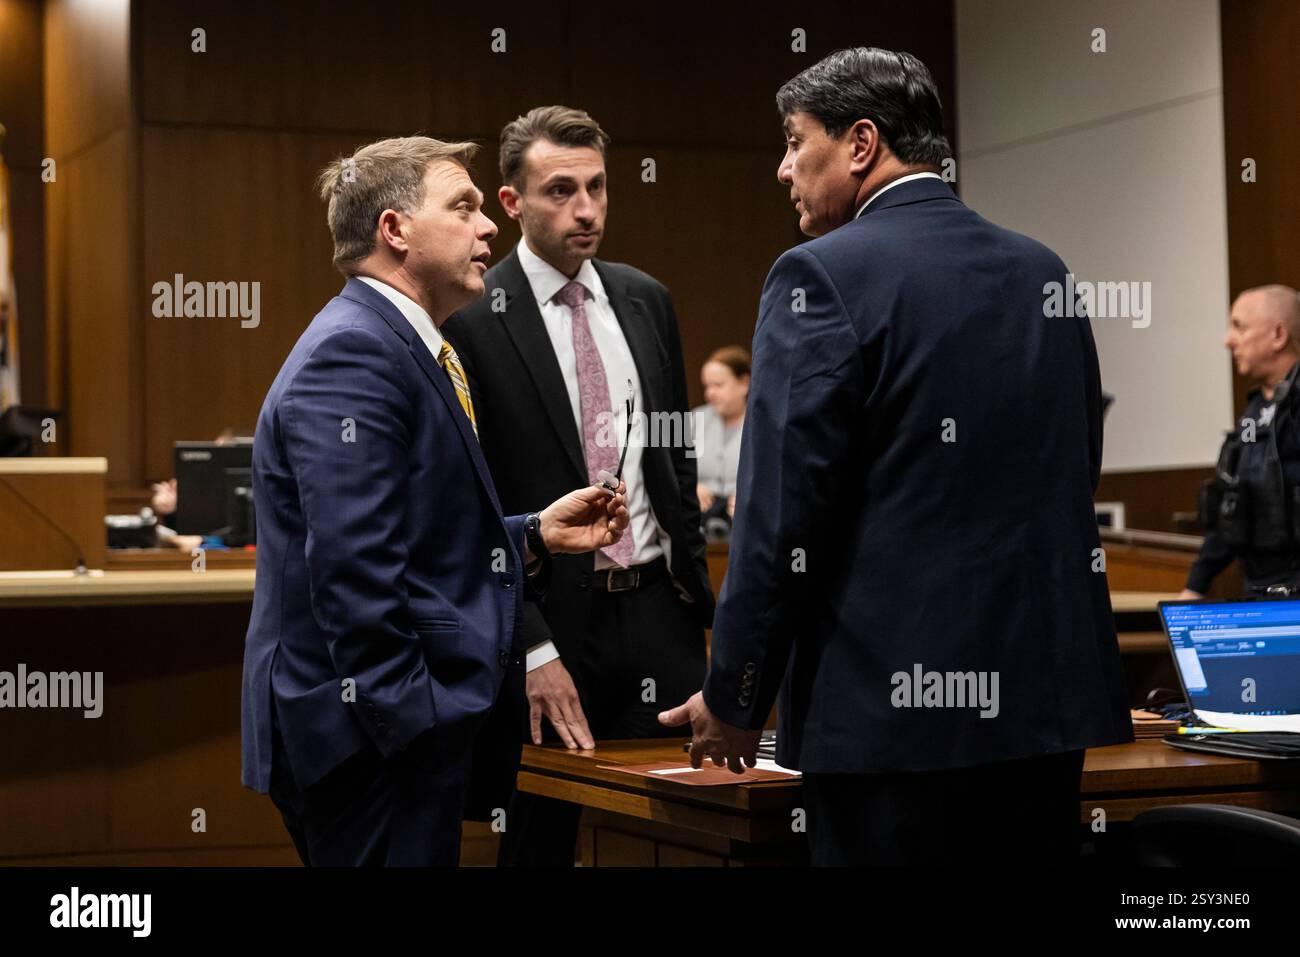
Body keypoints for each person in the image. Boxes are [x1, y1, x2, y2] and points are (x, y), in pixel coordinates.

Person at [659, 47, 1131, 865]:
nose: (781, 169)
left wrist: (738, 691)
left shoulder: (819, 274)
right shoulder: (1042, 269)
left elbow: (778, 515)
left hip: (890, 718)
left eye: (792, 141)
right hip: (1042, 707)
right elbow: (1075, 464)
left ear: (861, 142)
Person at [240, 135, 628, 867]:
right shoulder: (354, 353)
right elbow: (356, 577)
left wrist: (534, 532)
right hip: (371, 743)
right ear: (394, 230)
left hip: (387, 734)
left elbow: (417, 537)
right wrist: (419, 727)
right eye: (465, 207)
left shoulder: (407, 343)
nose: (489, 228)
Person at [444, 106, 714, 867]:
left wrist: (696, 597)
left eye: (597, 186)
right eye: (560, 190)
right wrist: (531, 646)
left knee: (691, 826)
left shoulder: (645, 298)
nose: (586, 208)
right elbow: (472, 504)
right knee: (540, 835)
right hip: (551, 622)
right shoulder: (470, 315)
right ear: (511, 202)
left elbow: (674, 458)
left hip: (659, 608)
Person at [1183, 285, 1300, 599]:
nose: (1228, 340)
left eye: (1239, 326)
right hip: (1263, 594)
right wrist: (1196, 585)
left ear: (1278, 335)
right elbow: (1235, 503)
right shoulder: (1256, 409)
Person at [692, 346, 750, 530]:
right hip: (701, 520)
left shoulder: (763, 425)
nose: (710, 393)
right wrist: (691, 487)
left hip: (744, 522)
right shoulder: (693, 420)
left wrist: (751, 495)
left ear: (744, 383)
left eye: (718, 385)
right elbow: (673, 471)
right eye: (707, 386)